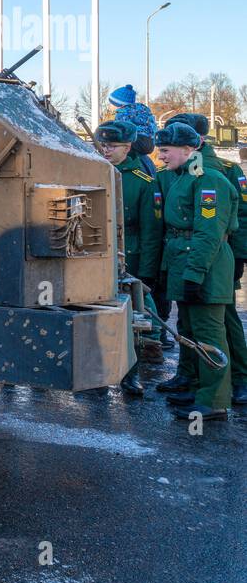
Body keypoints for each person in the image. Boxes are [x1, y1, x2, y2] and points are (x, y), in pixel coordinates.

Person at [159, 112, 247, 406]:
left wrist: (195, 274)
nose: (160, 155)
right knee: (191, 329)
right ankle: (198, 387)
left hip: (205, 266)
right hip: (186, 263)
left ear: (190, 149)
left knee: (210, 332)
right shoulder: (184, 177)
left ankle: (214, 401)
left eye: (166, 150)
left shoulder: (209, 180)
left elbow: (209, 233)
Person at [95, 119, 163, 393]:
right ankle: (97, 373)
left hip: (130, 253)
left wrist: (146, 270)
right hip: (95, 251)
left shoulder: (142, 183)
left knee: (131, 316)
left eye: (112, 146)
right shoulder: (91, 172)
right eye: (101, 145)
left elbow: (151, 232)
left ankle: (130, 374)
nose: (106, 151)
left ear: (128, 147)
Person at [107, 85, 158, 175]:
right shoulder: (143, 111)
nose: (109, 106)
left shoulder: (122, 113)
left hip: (135, 141)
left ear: (119, 104)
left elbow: (121, 132)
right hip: (149, 142)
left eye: (111, 103)